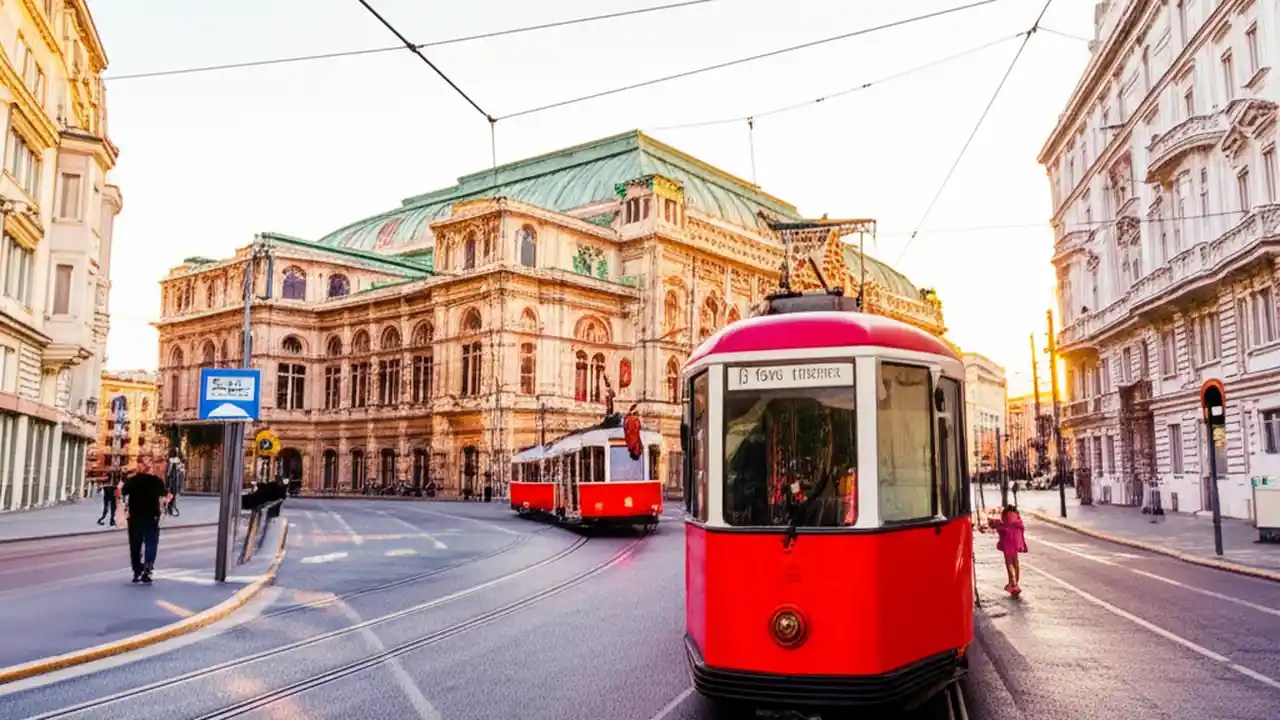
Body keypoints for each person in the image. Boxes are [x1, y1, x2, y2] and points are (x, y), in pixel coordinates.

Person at [121, 458, 171, 584]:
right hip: (151, 516)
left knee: (135, 545)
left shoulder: (132, 481)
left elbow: (123, 492)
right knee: (151, 542)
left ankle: (137, 570)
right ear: (151, 468)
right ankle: (148, 565)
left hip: (135, 516)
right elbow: (165, 494)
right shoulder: (156, 481)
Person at [987, 505, 1028, 594]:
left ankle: (1013, 584)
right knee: (1016, 563)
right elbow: (1021, 530)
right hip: (1016, 544)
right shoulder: (1018, 521)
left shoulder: (1005, 519)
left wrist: (991, 522)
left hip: (1007, 543)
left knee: (1009, 563)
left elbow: (998, 526)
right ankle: (1015, 583)